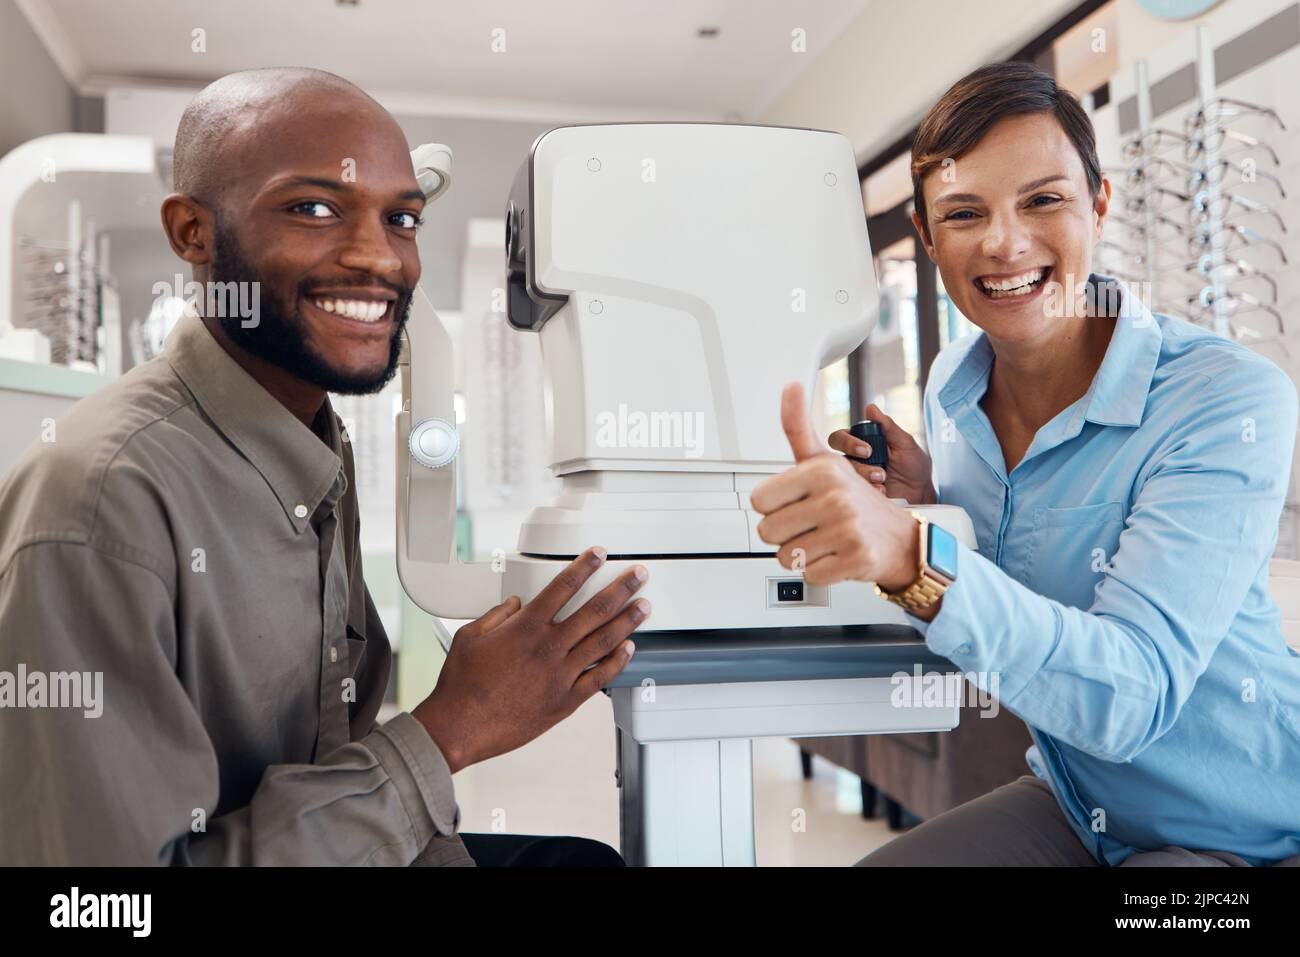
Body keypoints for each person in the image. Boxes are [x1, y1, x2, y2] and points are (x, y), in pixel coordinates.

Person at [0, 67, 649, 866]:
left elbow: (322, 759)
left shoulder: (310, 441)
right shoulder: (100, 500)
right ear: (192, 232)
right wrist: (453, 727)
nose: (378, 258)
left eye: (402, 217)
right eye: (312, 209)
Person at [750, 61, 1300, 866]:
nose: (1005, 243)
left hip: (1259, 831)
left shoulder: (1224, 396)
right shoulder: (950, 390)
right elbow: (1008, 573)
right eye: (965, 212)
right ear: (928, 236)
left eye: (1043, 199)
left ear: (1098, 203)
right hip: (1082, 805)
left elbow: (1132, 692)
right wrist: (926, 508)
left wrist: (914, 555)